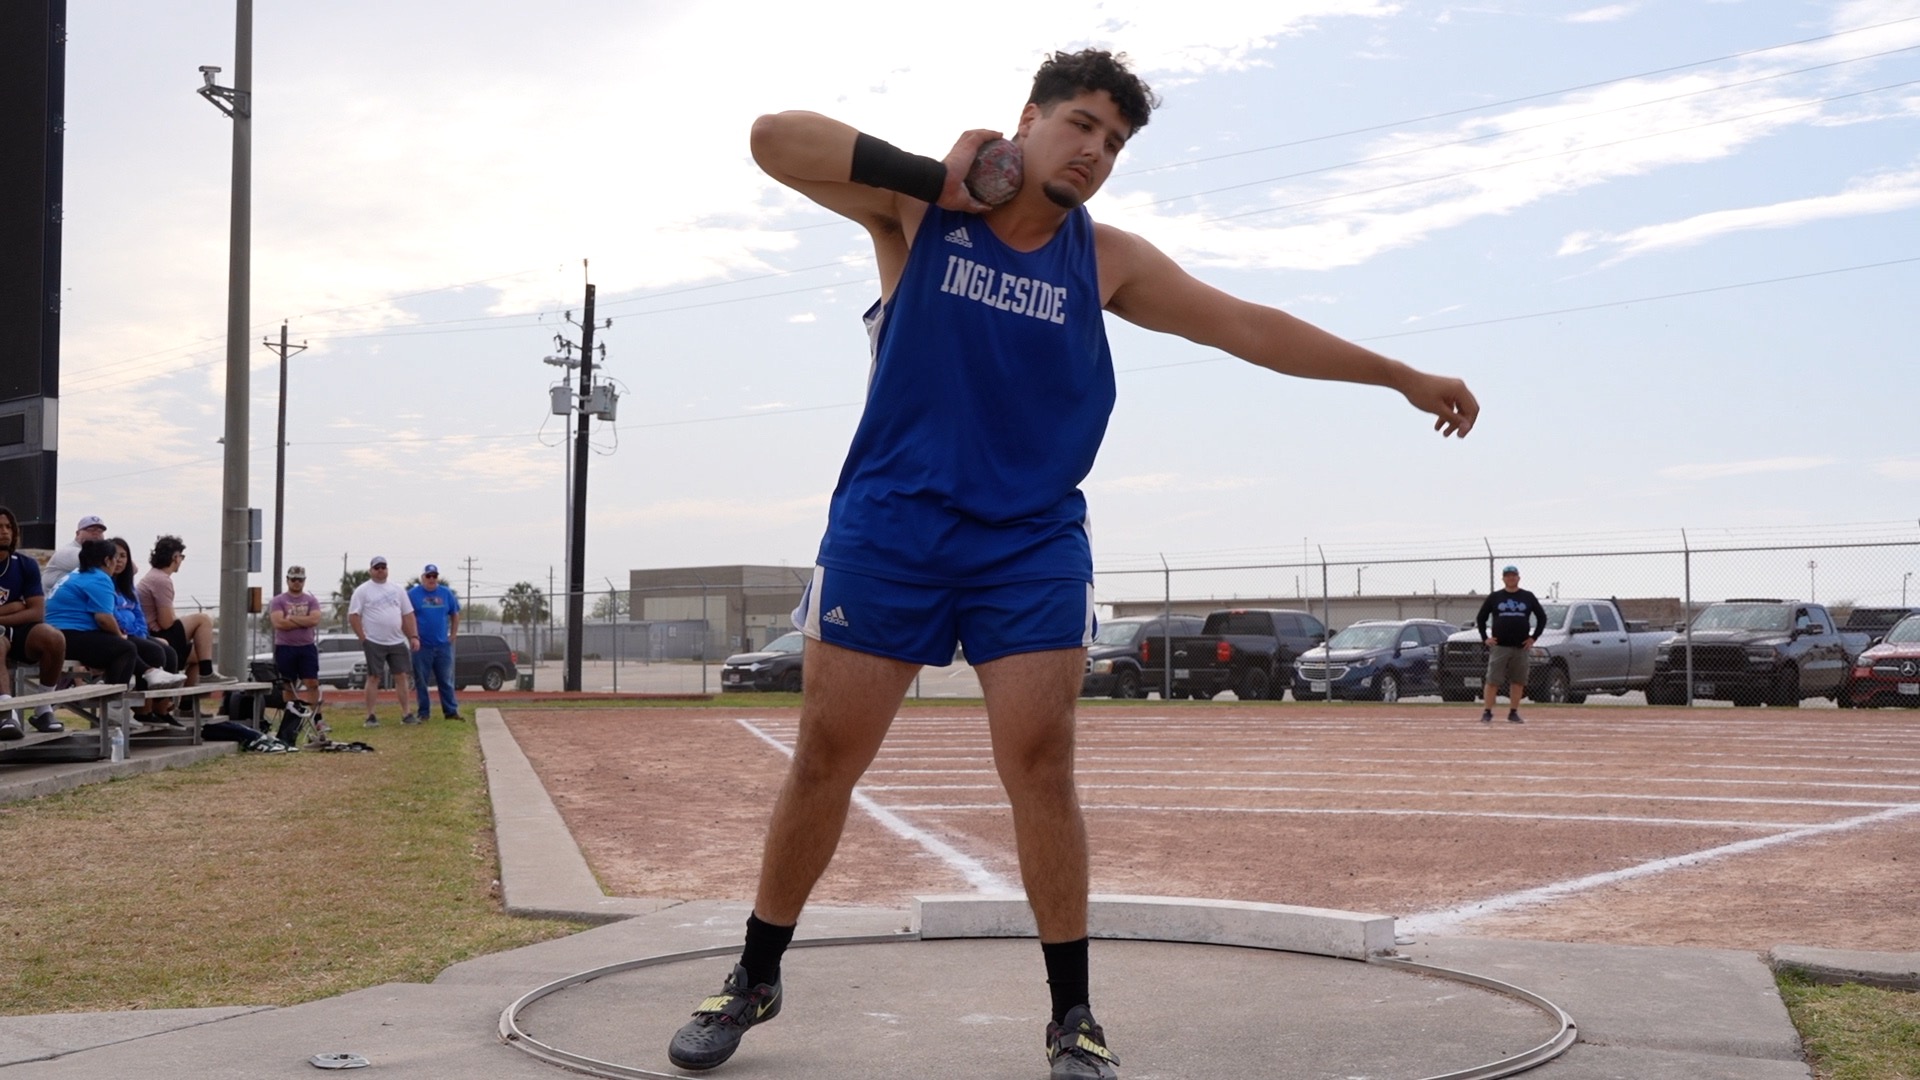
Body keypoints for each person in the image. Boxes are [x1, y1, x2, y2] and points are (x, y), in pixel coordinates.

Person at [665, 49, 1479, 1080]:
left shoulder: (1106, 262)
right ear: (1031, 120)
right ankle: (755, 976)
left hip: (1028, 540)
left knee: (1042, 765)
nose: (1096, 150)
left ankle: (1072, 1018)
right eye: (1083, 124)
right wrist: (933, 174)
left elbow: (1249, 328)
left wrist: (1399, 375)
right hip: (893, 526)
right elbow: (773, 138)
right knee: (828, 756)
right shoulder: (920, 216)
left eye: (1116, 141)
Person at [43, 538, 187, 696]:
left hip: (60, 633)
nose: (117, 562)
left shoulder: (78, 574)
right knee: (125, 648)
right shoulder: (99, 577)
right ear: (107, 560)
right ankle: (113, 700)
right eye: (115, 558)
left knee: (141, 647)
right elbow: (104, 619)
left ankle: (148, 677)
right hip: (68, 635)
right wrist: (119, 636)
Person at [0, 505, 69, 739]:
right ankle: (7, 713)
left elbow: (37, 612)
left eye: (8, 527)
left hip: (20, 631)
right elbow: (25, 607)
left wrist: (7, 613)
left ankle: (43, 708)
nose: (5, 532)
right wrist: (17, 605)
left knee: (54, 638)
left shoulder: (25, 564)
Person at [106, 537, 184, 726]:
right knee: (154, 651)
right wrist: (128, 631)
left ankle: (159, 709)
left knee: (169, 652)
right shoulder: (103, 582)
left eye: (124, 556)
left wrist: (142, 634)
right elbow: (110, 614)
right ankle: (143, 710)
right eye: (116, 555)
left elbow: (138, 614)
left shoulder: (127, 585)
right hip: (114, 633)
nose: (120, 560)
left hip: (133, 632)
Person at [136, 535, 232, 686]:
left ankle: (186, 707)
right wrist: (181, 621)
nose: (181, 561)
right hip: (156, 635)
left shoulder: (153, 576)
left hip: (151, 634)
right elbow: (166, 622)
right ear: (175, 557)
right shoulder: (161, 580)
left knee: (199, 655)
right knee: (203, 619)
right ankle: (207, 673)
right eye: (181, 556)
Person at [348, 555, 418, 726]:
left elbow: (407, 614)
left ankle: (406, 713)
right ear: (371, 570)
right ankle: (370, 716)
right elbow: (353, 615)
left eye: (383, 567)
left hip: (396, 641)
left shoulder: (397, 589)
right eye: (377, 568)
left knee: (401, 676)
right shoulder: (363, 590)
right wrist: (363, 637)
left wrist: (413, 636)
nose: (380, 571)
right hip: (374, 641)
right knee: (374, 677)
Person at [1475, 565, 1546, 724]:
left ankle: (1513, 712)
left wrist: (1533, 638)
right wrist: (1485, 638)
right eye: (1507, 576)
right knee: (1493, 680)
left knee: (1518, 681)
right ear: (1503, 578)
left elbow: (1542, 617)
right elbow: (1481, 618)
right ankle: (1487, 711)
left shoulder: (1527, 596)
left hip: (1521, 647)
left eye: (1513, 575)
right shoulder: (1495, 597)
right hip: (1500, 646)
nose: (1511, 578)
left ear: (1518, 578)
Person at [268, 565, 325, 726]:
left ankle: (317, 717)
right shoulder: (278, 601)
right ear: (287, 580)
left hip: (306, 647)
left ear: (304, 581)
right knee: (288, 685)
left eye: (300, 579)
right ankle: (291, 718)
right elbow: (279, 623)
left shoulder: (311, 600)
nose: (296, 582)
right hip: (285, 648)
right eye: (293, 579)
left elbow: (314, 620)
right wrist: (303, 621)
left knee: (312, 682)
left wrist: (291, 618)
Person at [407, 563, 462, 721]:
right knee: (421, 681)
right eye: (428, 576)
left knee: (446, 680)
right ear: (423, 577)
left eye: (434, 576)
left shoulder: (446, 593)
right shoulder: (413, 594)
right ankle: (424, 713)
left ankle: (451, 711)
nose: (431, 579)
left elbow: (455, 614)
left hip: (442, 646)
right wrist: (412, 636)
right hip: (422, 646)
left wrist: (453, 634)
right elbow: (406, 616)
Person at [39, 514, 106, 593]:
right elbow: (99, 565)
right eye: (90, 530)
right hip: (55, 603)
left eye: (100, 531)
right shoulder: (67, 552)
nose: (96, 533)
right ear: (78, 533)